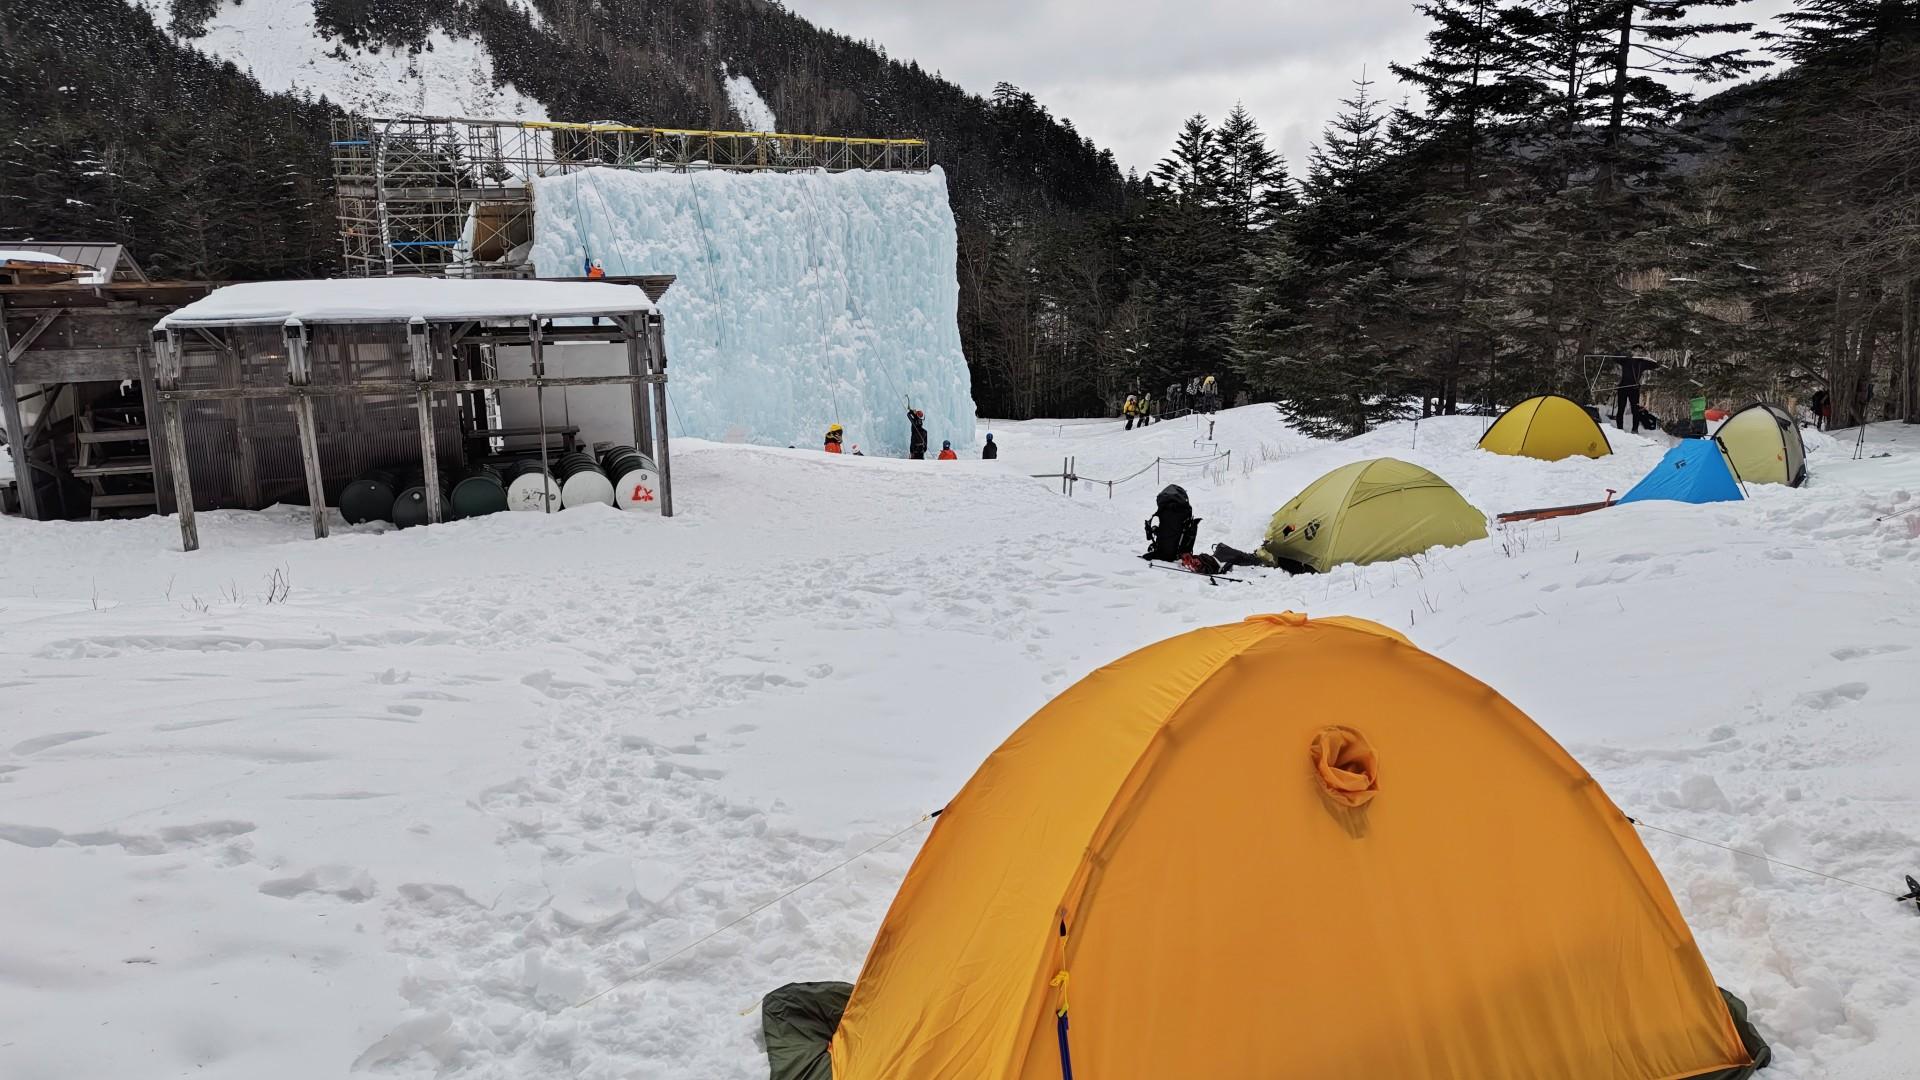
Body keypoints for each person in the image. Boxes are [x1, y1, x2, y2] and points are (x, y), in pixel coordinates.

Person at [1143, 484, 1199, 562]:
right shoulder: (1184, 509)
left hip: (1165, 552)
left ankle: (1166, 550)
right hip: (1177, 552)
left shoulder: (1165, 509)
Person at [1612, 355, 1659, 431]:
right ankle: (1622, 429)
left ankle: (1633, 429)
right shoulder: (1628, 360)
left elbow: (1654, 365)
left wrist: (1656, 362)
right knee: (1623, 409)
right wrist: (1624, 355)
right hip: (1624, 388)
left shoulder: (1640, 362)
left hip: (1632, 389)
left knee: (1634, 410)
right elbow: (1615, 358)